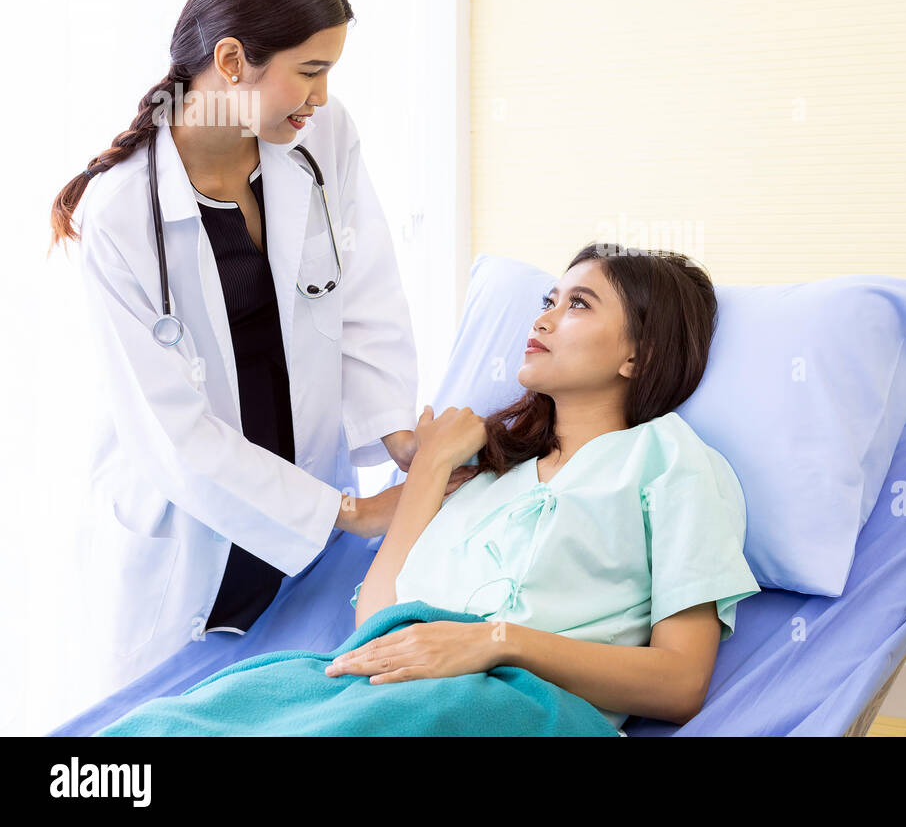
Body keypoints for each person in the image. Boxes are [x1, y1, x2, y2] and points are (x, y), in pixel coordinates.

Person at [96, 244, 761, 735]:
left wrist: (497, 641)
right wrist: (431, 468)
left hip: (513, 705)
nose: (546, 319)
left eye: (578, 305)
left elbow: (680, 683)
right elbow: (377, 625)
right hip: (381, 684)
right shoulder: (485, 473)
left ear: (637, 355)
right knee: (171, 725)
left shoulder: (667, 460)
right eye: (548, 300)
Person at [48, 0, 467, 697]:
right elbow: (174, 439)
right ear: (233, 60)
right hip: (189, 545)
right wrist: (351, 512)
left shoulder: (318, 140)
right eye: (309, 72)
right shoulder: (121, 219)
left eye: (331, 71)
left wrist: (401, 439)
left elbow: (365, 291)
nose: (323, 97)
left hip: (305, 523)